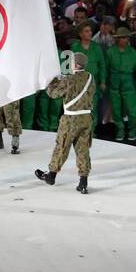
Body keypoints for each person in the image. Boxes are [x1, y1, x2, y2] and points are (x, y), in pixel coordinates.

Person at [34, 52, 95, 194]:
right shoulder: (90, 78)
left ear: (75, 64)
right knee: (83, 150)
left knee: (62, 147)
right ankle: (83, 182)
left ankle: (51, 175)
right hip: (86, 117)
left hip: (71, 119)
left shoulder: (69, 80)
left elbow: (53, 94)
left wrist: (52, 81)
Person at [105, 25, 136, 142]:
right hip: (114, 83)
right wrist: (103, 81)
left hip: (129, 83)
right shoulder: (110, 52)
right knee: (116, 110)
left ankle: (133, 129)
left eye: (126, 38)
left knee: (132, 110)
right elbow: (105, 69)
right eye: (122, 38)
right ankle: (120, 129)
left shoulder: (133, 53)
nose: (125, 40)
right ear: (117, 39)